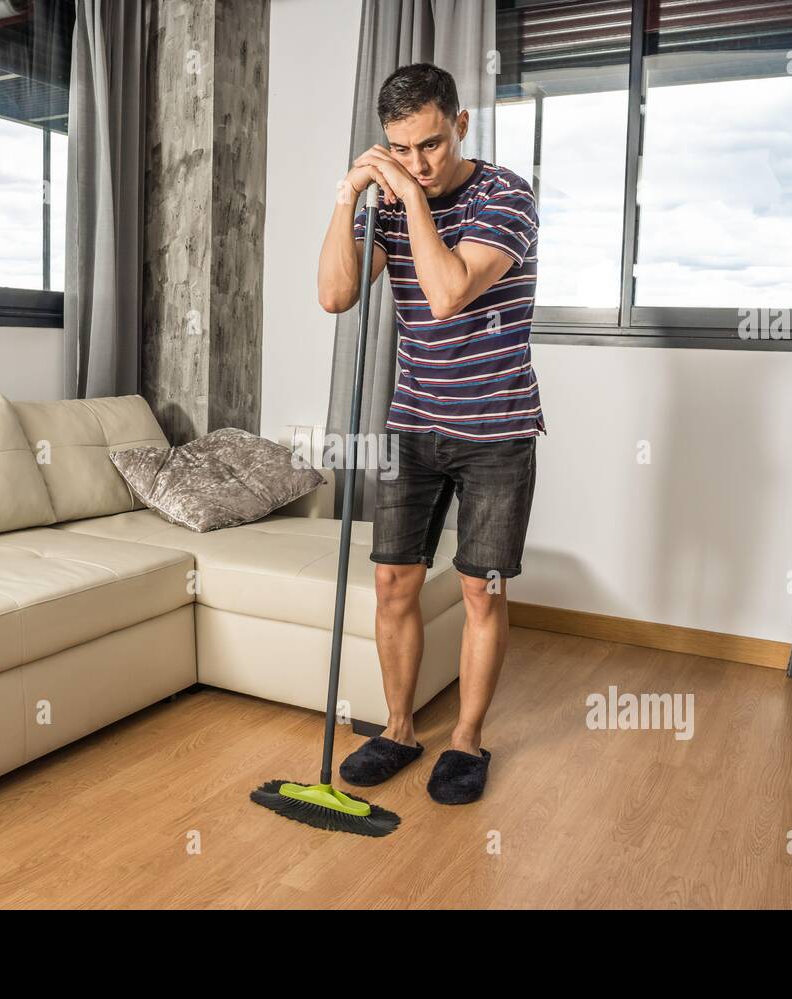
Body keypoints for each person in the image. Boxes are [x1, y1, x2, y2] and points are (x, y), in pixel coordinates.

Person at [316, 62, 545, 805]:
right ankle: (400, 728)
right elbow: (336, 293)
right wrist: (349, 198)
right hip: (414, 423)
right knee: (392, 582)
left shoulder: (506, 196)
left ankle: (467, 740)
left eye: (431, 145)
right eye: (400, 149)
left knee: (482, 588)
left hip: (496, 428)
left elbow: (446, 293)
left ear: (462, 124)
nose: (416, 163)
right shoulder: (383, 201)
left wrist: (407, 195)